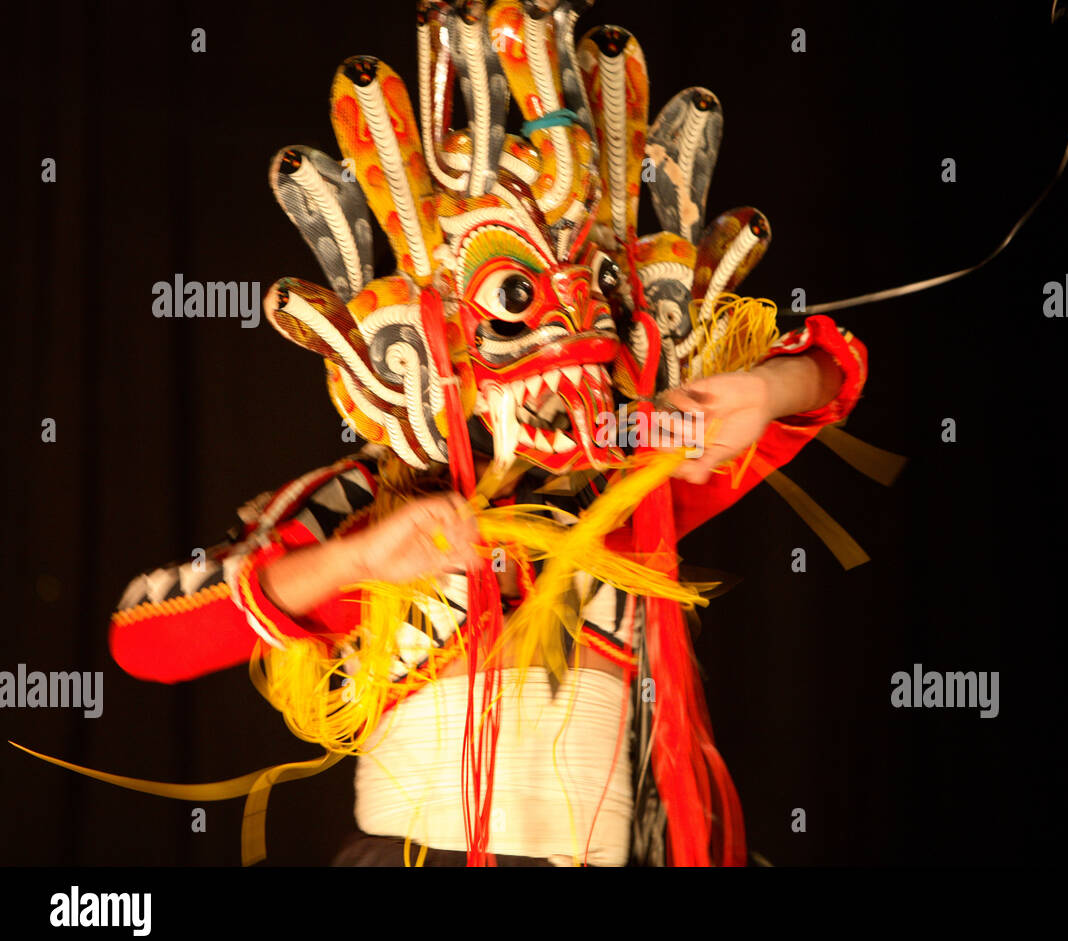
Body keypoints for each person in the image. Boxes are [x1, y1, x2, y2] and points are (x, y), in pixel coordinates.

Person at [104, 0, 869, 866]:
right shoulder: (365, 505)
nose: (575, 342)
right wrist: (356, 561)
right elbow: (146, 637)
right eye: (517, 303)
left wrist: (761, 389)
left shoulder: (629, 496)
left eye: (598, 301)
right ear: (432, 334)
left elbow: (834, 375)